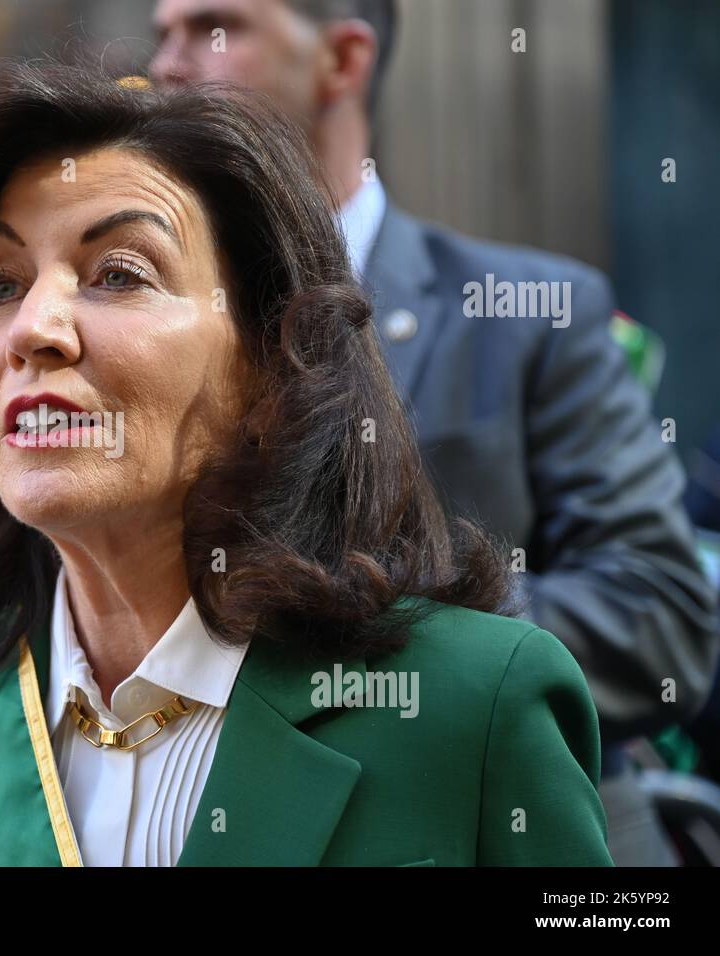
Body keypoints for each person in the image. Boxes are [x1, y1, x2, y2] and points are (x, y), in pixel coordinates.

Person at [0, 60, 610, 867]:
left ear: (273, 362)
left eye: (120, 274)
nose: (32, 327)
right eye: (3, 284)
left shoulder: (473, 703)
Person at [149, 0, 718, 866]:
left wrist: (384, 654)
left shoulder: (534, 312)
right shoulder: (149, 333)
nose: (169, 64)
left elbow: (659, 612)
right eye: (163, 33)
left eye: (214, 28)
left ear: (343, 61)